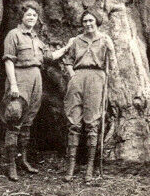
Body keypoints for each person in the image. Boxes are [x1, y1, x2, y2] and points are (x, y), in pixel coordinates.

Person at [49, 10, 117, 183]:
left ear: (97, 21)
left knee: (92, 122)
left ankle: (89, 168)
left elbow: (113, 65)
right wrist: (73, 76)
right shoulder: (76, 41)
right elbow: (68, 61)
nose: (88, 24)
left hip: (96, 78)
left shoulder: (105, 39)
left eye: (91, 20)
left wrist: (110, 50)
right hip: (78, 78)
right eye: (85, 21)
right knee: (73, 122)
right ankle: (70, 167)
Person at [0, 0, 48, 179]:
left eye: (35, 15)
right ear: (22, 16)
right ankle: (11, 165)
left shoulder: (36, 38)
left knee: (28, 122)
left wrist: (70, 45)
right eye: (28, 14)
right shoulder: (14, 35)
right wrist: (13, 84)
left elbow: (49, 56)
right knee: (14, 118)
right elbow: (9, 61)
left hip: (36, 79)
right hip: (20, 79)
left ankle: (23, 160)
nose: (32, 18)